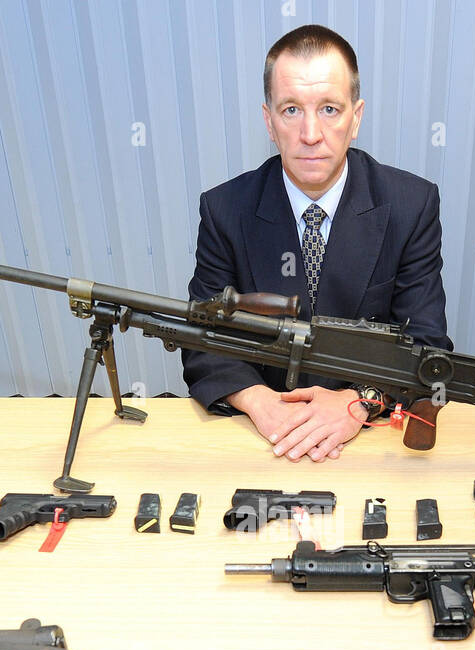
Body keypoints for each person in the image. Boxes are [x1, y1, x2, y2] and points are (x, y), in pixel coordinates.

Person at [182, 24, 453, 462]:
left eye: (329, 108)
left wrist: (357, 401)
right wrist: (258, 401)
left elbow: (427, 344)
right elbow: (201, 335)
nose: (311, 134)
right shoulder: (224, 209)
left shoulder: (411, 204)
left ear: (356, 117)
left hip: (372, 441)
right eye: (291, 110)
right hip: (263, 439)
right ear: (269, 121)